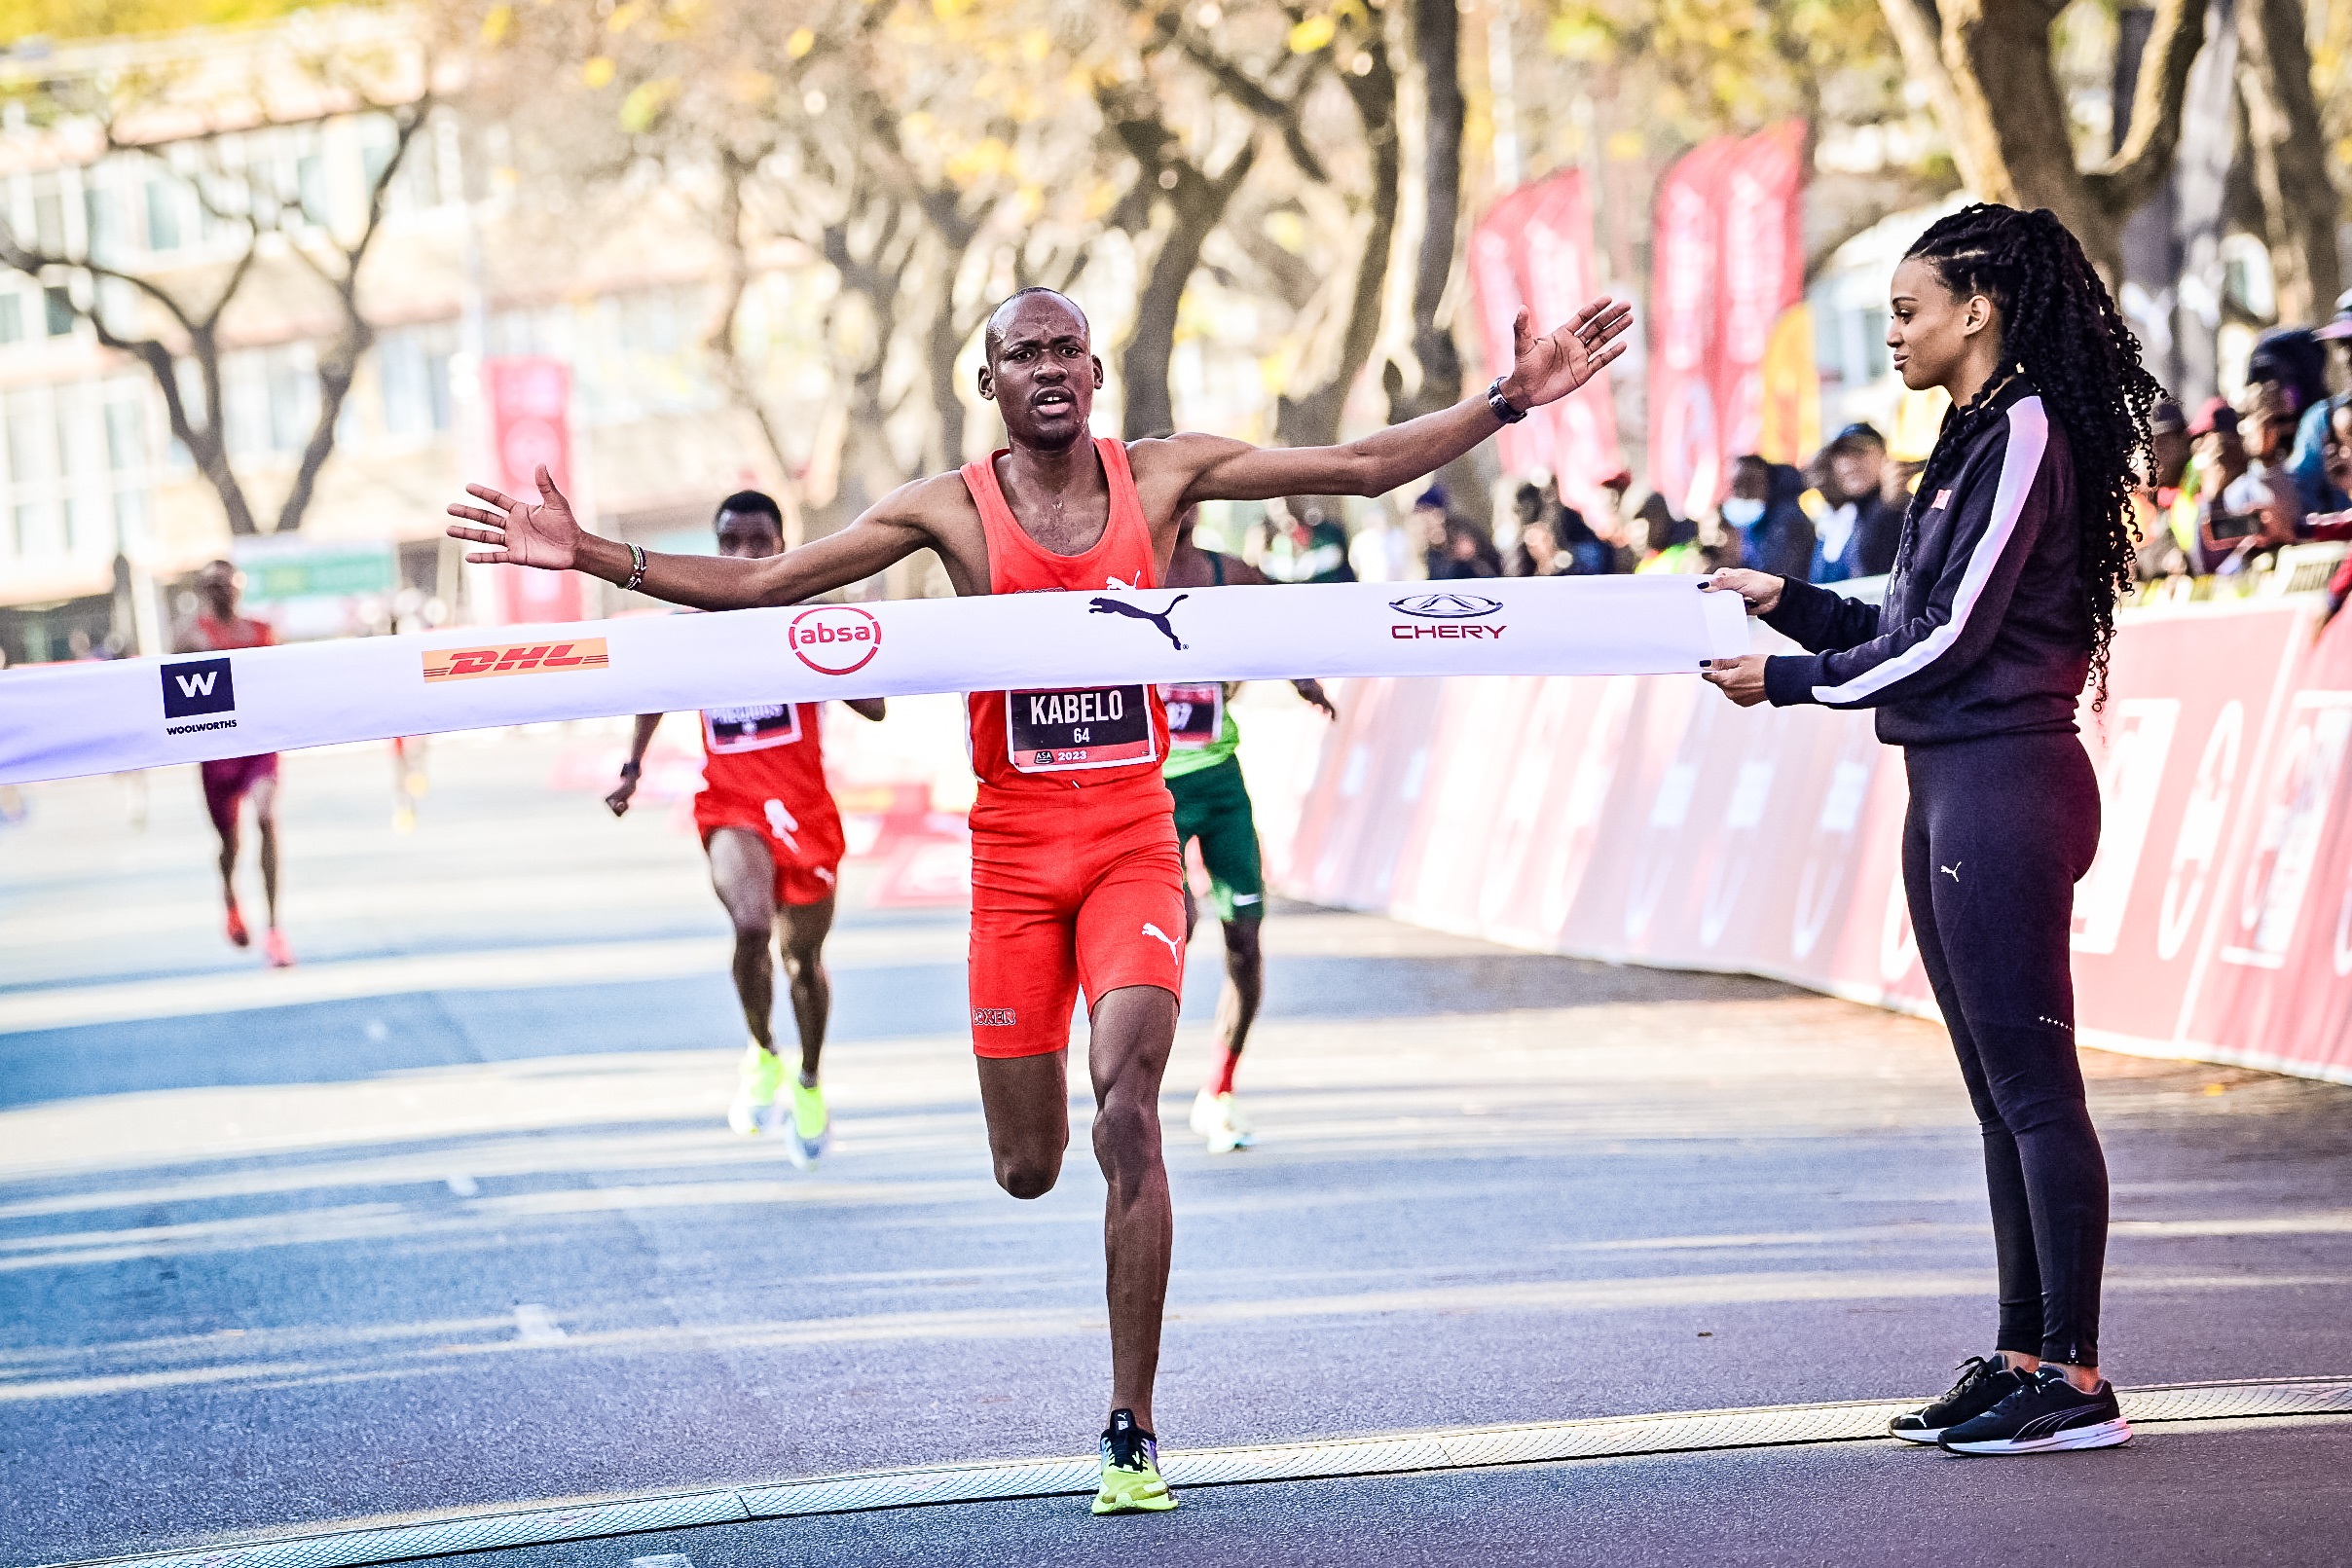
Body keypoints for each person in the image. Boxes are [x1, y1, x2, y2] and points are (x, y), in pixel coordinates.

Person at [447, 283, 1629, 1514]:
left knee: (1131, 1111)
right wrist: (588, 555)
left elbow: (1361, 465)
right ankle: (1041, 1139)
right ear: (992, 383)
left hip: (1129, 841)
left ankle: (1131, 1426)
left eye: (1069, 348)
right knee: (1027, 1165)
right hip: (1012, 866)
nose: (1050, 366)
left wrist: (1505, 401)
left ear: (1096, 374)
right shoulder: (947, 511)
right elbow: (767, 587)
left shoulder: (1161, 478)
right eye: (1025, 353)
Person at [1700, 201, 2157, 1456]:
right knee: (1995, 1100)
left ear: (1978, 309)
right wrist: (1786, 602)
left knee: (2034, 1091)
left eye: (1906, 313)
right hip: (1950, 781)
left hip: (2008, 781)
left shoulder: (2022, 428)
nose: (1891, 335)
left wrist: (1786, 685)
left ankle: (2075, 1377)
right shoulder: (1964, 434)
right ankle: (2023, 1352)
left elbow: (1951, 642)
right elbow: (1909, 619)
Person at [603, 492, 888, 1164]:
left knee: (803, 963)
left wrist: (813, 640)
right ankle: (763, 1052)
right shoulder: (694, 621)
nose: (743, 555)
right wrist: (632, 765)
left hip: (807, 811)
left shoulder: (808, 615)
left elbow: (873, 706)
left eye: (759, 541)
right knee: (752, 925)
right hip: (731, 803)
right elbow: (658, 692)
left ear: (783, 546)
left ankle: (809, 1079)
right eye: (730, 541)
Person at [1158, 505, 1337, 1153]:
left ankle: (1220, 1091)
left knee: (1245, 945)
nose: (1180, 508)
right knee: (1176, 925)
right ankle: (1135, 1088)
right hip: (1153, 789)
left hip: (1219, 780)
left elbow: (1278, 615)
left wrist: (1300, 678)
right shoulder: (1123, 569)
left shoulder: (1219, 570)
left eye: (1191, 495)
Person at [178, 560, 292, 967]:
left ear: (239, 587)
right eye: (212, 586)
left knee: (266, 819)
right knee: (231, 845)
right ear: (203, 591)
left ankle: (275, 930)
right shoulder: (192, 637)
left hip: (258, 744)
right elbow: (174, 697)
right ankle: (229, 895)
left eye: (227, 584)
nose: (221, 592)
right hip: (217, 752)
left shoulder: (262, 632)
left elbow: (283, 683)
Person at [1808, 423, 1904, 583]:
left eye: (1859, 451)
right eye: (1841, 455)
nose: (1849, 463)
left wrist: (1888, 508)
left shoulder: (1903, 507)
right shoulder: (1845, 517)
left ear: (1884, 454)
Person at [2286, 291, 2352, 515]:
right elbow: (2295, 499)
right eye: (2343, 344)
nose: (2348, 357)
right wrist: (2265, 460)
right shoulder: (2322, 420)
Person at [1721, 454, 1815, 579]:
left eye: (1749, 483)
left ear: (1768, 481)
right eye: (1736, 486)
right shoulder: (1756, 524)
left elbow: (1779, 579)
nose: (1743, 492)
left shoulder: (1789, 522)